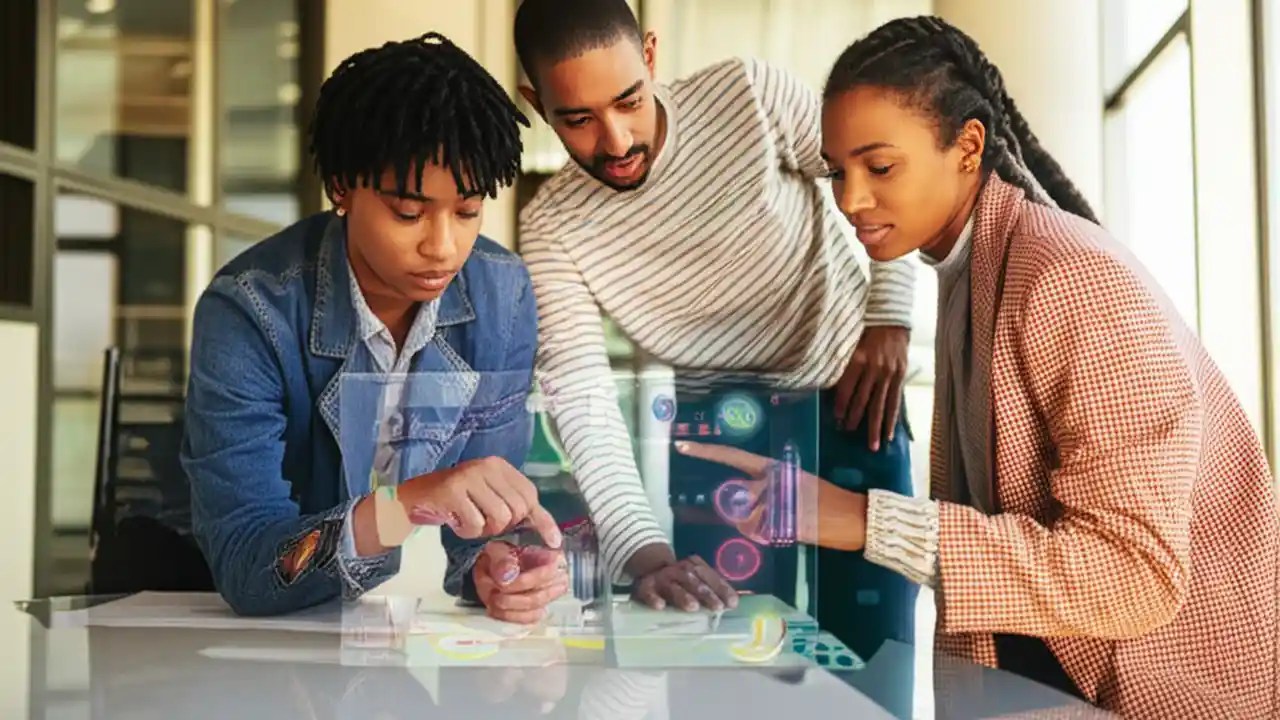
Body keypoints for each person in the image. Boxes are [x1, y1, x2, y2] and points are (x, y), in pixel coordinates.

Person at [679, 15, 1280, 719]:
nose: (848, 199)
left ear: (967, 147)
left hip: (1164, 696)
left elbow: (1137, 574)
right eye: (838, 171)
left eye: (880, 167)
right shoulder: (971, 270)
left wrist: (861, 518)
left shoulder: (1068, 277)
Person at [512, 0, 918, 661]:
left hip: (852, 392)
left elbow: (873, 177)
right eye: (578, 119)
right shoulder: (553, 226)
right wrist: (642, 554)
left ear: (649, 56)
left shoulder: (748, 94)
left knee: (873, 652)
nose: (615, 141)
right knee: (731, 663)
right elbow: (582, 398)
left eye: (627, 101)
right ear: (535, 101)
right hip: (717, 425)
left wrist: (890, 314)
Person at [181, 33, 568, 621]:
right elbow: (249, 563)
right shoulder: (251, 310)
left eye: (467, 211)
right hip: (242, 641)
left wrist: (495, 566)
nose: (443, 247)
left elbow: (485, 522)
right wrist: (404, 507)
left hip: (387, 642)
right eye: (408, 213)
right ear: (341, 187)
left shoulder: (501, 294)